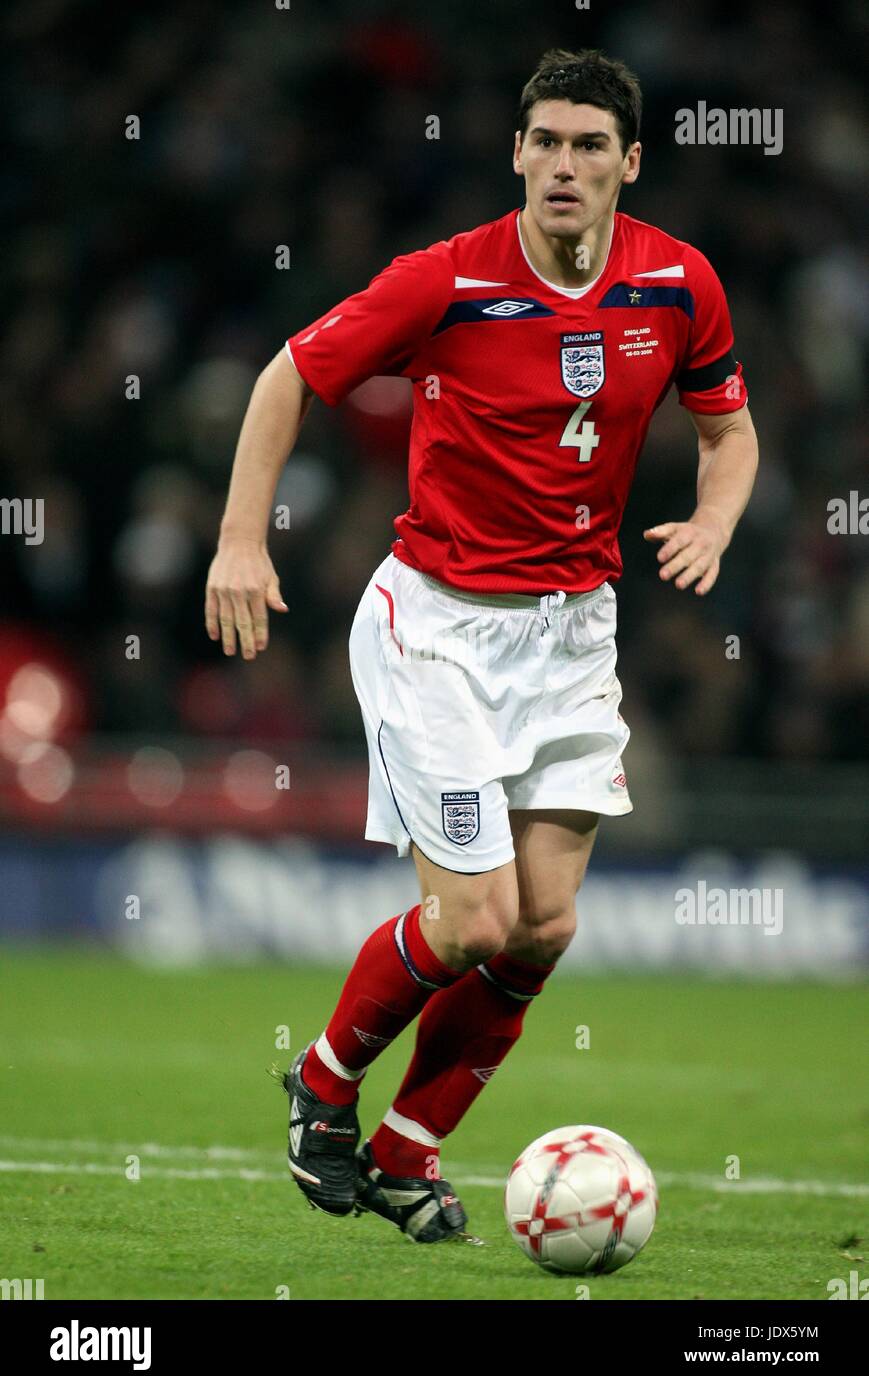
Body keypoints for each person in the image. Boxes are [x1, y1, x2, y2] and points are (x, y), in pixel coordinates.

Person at [205, 48, 758, 1244]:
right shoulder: (445, 281)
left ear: (629, 164)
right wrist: (242, 540)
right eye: (544, 143)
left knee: (545, 922)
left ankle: (406, 1151)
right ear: (515, 153)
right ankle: (320, 1083)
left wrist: (714, 519)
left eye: (588, 146)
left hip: (573, 633)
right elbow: (286, 376)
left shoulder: (677, 282)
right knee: (473, 921)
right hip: (438, 631)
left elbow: (728, 430)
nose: (563, 166)